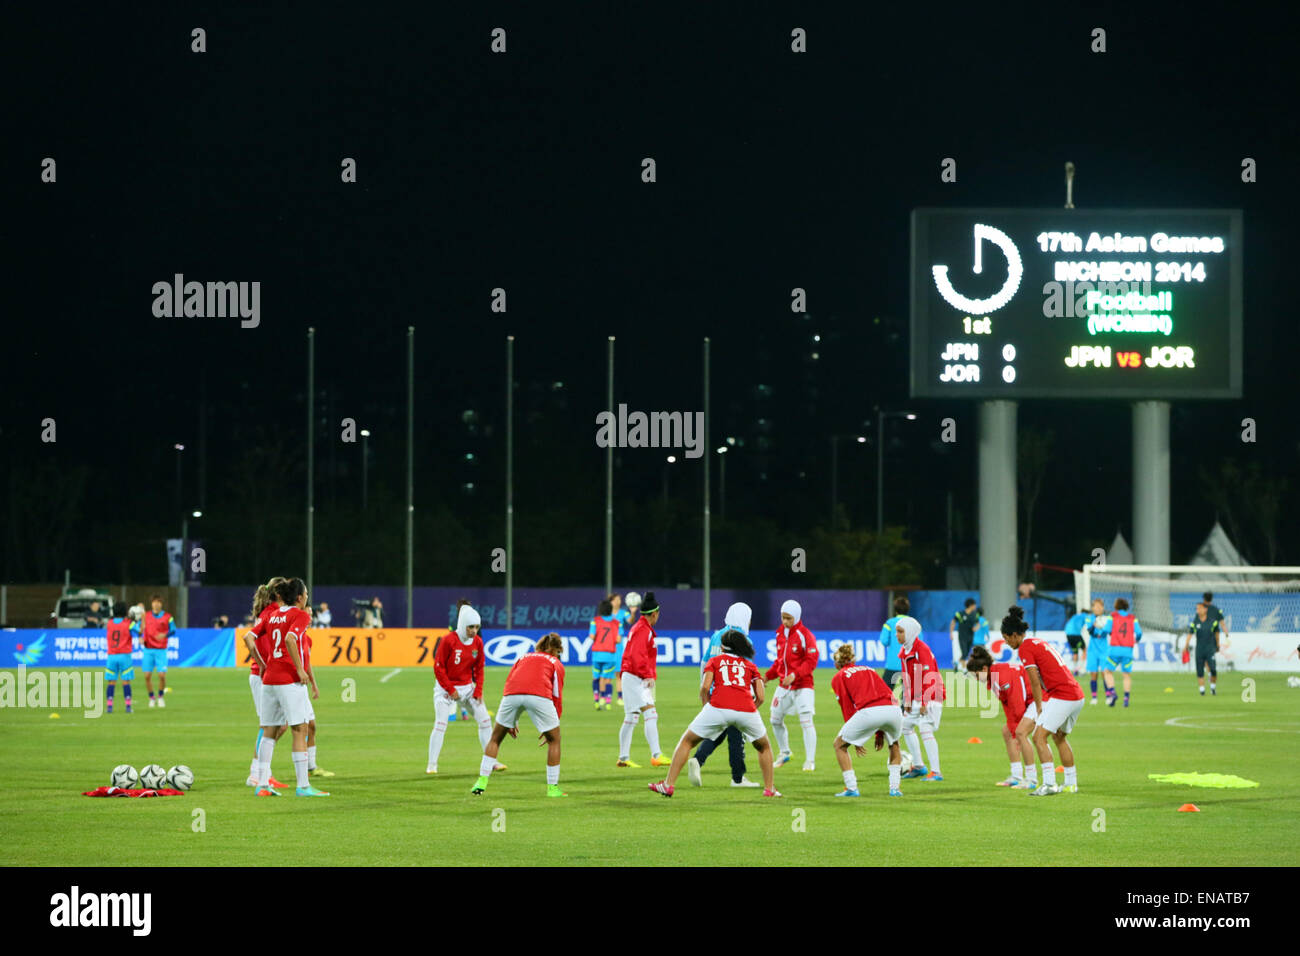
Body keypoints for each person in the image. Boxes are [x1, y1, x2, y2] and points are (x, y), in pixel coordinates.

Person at [648, 630, 780, 798]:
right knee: (764, 747)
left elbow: (704, 687)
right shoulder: (750, 666)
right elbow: (761, 696)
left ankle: (668, 785)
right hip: (747, 710)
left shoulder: (715, 661)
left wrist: (707, 707)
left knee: (687, 742)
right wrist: (750, 710)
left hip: (718, 708)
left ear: (723, 648)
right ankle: (769, 789)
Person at [253, 577, 329, 797]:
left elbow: (249, 637)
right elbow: (289, 639)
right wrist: (301, 670)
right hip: (288, 680)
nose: (307, 597)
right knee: (299, 729)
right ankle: (303, 786)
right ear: (299, 597)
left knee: (269, 731)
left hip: (268, 680)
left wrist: (261, 664)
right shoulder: (301, 615)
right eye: (306, 594)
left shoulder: (272, 614)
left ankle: (262, 784)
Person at [1001, 605, 1083, 795]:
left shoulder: (1025, 649)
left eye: (1006, 639)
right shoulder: (1037, 642)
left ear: (1014, 635)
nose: (1006, 643)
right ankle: (1071, 783)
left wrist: (1039, 707)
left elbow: (1035, 681)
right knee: (1059, 737)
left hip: (1063, 696)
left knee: (1039, 737)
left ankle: (1049, 784)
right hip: (1076, 694)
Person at [472, 632, 566, 797]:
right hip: (539, 694)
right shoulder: (555, 662)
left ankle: (482, 780)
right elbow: (556, 695)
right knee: (555, 741)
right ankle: (552, 788)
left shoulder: (523, 657)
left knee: (495, 738)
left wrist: (512, 719)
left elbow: (511, 681)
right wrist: (552, 726)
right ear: (557, 650)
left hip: (511, 694)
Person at [687, 602, 761, 788]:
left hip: (714, 693)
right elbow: (744, 671)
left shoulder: (716, 636)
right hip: (734, 694)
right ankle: (738, 778)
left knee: (720, 731)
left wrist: (704, 689)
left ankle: (698, 760)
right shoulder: (743, 639)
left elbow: (704, 663)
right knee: (737, 736)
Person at [428, 604, 501, 774]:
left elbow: (479, 669)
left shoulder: (478, 642)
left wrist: (478, 691)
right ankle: (432, 765)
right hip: (445, 690)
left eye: (477, 627)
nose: (474, 630)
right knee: (441, 724)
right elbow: (438, 668)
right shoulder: (448, 640)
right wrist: (450, 688)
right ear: (462, 625)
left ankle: (492, 761)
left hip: (467, 688)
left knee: (485, 721)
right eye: (471, 627)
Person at [829, 644, 906, 797]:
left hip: (870, 712)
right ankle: (895, 789)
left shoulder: (839, 676)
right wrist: (879, 734)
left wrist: (855, 739)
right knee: (894, 744)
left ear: (837, 664)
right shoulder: (869, 669)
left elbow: (847, 707)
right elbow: (882, 695)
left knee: (839, 745)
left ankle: (851, 788)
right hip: (894, 709)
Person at [966, 645, 1037, 788]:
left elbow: (1017, 705)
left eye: (975, 674)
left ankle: (1031, 779)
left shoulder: (1002, 678)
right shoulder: (993, 677)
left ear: (984, 669)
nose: (974, 678)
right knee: (1007, 732)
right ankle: (1016, 775)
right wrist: (1012, 729)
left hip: (1039, 699)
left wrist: (1016, 730)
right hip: (1028, 702)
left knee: (1021, 733)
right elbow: (1007, 705)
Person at [243, 577, 289, 788]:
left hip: (266, 676)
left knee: (279, 725)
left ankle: (264, 771)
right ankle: (256, 773)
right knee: (269, 726)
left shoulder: (271, 613)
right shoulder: (270, 614)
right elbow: (250, 639)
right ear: (279, 594)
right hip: (262, 677)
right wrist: (262, 664)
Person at [616, 591, 671, 768]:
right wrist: (647, 675)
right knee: (651, 714)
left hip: (631, 675)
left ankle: (623, 758)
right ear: (654, 614)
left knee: (631, 717)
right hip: (636, 676)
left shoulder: (640, 628)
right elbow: (637, 655)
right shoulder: (643, 630)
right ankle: (656, 755)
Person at [764, 599, 819, 771]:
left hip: (803, 685)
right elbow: (780, 662)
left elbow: (812, 660)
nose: (785, 622)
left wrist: (795, 675)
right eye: (783, 617)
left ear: (796, 616)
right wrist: (767, 676)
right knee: (774, 719)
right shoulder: (779, 634)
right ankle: (785, 752)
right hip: (784, 686)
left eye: (789, 618)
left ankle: (810, 761)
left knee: (806, 722)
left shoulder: (805, 635)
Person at [897, 615, 946, 781]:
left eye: (901, 632)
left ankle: (936, 772)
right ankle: (919, 766)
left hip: (931, 695)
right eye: (897, 632)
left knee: (925, 728)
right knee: (905, 726)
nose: (897, 635)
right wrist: (908, 700)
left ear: (910, 632)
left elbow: (928, 675)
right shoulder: (904, 651)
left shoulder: (921, 650)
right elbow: (907, 678)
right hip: (917, 697)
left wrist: (924, 701)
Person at [1097, 597, 1142, 707]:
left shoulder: (1113, 616)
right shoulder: (1133, 618)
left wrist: (1101, 635)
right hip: (1128, 650)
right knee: (1126, 675)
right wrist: (1136, 640)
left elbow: (1106, 630)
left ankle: (1112, 692)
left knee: (1107, 672)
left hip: (1114, 650)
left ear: (1116, 606)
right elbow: (1139, 633)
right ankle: (1126, 699)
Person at [103, 603, 140, 715]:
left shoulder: (109, 623)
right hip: (124, 656)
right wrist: (136, 621)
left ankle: (109, 707)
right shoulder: (129, 624)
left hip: (111, 656)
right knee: (125, 682)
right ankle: (128, 706)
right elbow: (138, 632)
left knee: (111, 682)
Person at [140, 595, 176, 708]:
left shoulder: (168, 617)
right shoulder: (145, 615)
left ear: (161, 604)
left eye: (159, 602)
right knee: (147, 676)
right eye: (154, 602)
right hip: (148, 649)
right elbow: (140, 628)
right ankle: (151, 698)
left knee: (161, 676)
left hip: (161, 650)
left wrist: (164, 634)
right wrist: (140, 636)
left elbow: (173, 630)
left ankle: (160, 697)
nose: (156, 604)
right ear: (151, 604)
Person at [1183, 602, 1221, 696]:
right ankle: (1202, 691)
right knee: (1199, 670)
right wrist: (1186, 645)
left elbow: (1217, 633)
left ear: (1205, 609)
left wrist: (1217, 644)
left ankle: (1212, 688)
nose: (1198, 610)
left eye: (1199, 608)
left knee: (1213, 669)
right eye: (1197, 609)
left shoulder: (1213, 622)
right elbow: (1190, 634)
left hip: (1210, 648)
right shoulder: (1195, 623)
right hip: (1199, 649)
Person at [589, 597, 620, 710]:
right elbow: (618, 640)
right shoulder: (616, 623)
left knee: (596, 677)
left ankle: (597, 700)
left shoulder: (595, 620)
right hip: (610, 655)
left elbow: (592, 636)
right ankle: (607, 702)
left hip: (597, 654)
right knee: (607, 679)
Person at [1082, 598, 1115, 705]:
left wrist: (1103, 630)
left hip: (1104, 650)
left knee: (1105, 673)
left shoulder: (1107, 619)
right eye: (1096, 606)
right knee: (1093, 674)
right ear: (1092, 608)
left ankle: (1108, 696)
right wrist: (1095, 625)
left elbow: (1109, 632)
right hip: (1092, 650)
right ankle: (1094, 697)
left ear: (1103, 608)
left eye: (1100, 606)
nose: (1098, 608)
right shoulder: (1089, 618)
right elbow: (1090, 631)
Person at [615, 591, 641, 706]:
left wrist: (633, 613)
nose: (619, 602)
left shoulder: (622, 613)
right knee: (603, 675)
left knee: (618, 673)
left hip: (618, 645)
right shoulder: (605, 615)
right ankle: (603, 698)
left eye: (620, 600)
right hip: (606, 646)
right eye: (617, 600)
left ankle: (620, 697)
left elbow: (630, 621)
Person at [879, 596, 910, 690]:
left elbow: (884, 641)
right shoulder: (914, 623)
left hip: (893, 663)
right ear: (908, 609)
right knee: (907, 697)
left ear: (895, 610)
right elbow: (920, 642)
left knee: (885, 693)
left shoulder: (890, 623)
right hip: (909, 664)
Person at [949, 597, 979, 673]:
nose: (975, 606)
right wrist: (951, 633)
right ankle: (964, 670)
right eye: (974, 605)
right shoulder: (960, 614)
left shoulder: (975, 614)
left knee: (966, 653)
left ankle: (956, 662)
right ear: (971, 605)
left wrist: (975, 628)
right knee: (964, 652)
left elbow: (978, 624)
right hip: (962, 636)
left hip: (970, 636)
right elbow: (953, 622)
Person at [1063, 604, 1090, 676]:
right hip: (1076, 635)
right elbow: (1089, 624)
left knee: (1075, 652)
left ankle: (1075, 670)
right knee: (1084, 649)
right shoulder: (1085, 616)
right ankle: (1081, 669)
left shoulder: (1075, 616)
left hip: (1068, 635)